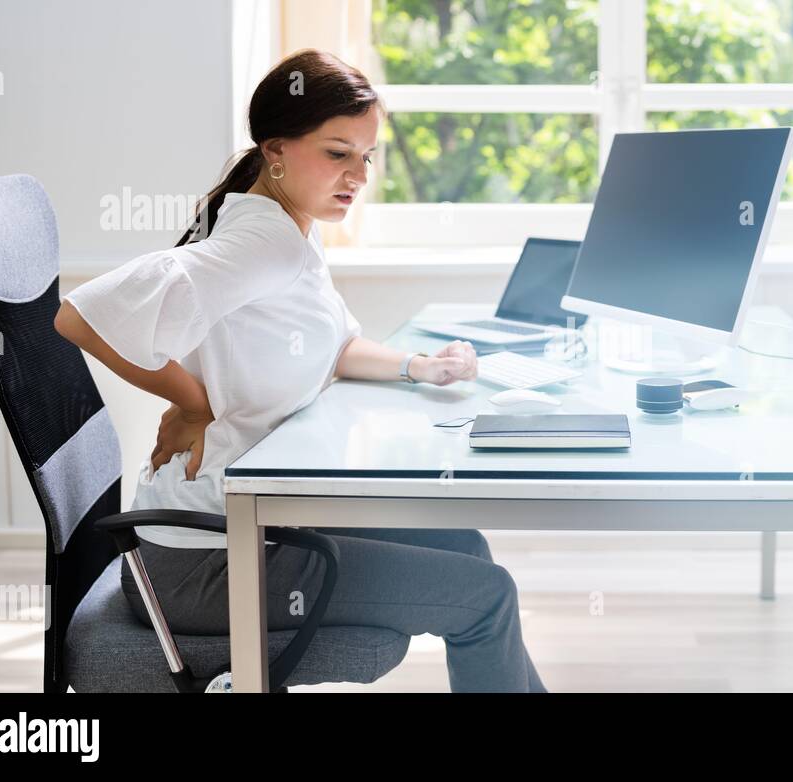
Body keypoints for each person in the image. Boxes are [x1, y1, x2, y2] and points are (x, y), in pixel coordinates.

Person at [53, 48, 546, 693]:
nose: (359, 175)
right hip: (204, 565)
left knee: (464, 546)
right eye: (338, 153)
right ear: (276, 151)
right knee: (485, 594)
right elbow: (79, 317)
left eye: (366, 156)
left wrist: (419, 366)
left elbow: (334, 346)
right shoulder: (261, 246)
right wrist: (192, 400)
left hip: (235, 528)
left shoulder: (288, 229)